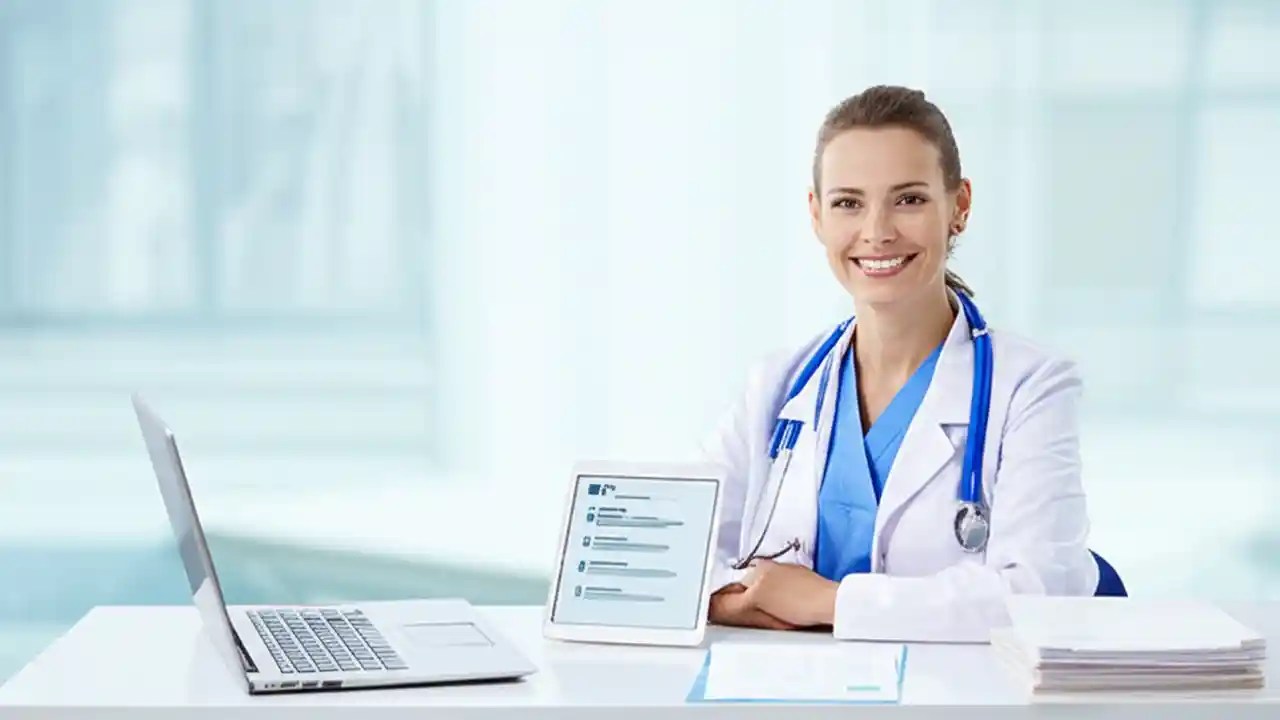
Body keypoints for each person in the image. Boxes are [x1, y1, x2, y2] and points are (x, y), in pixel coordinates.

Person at [700, 85, 1098, 642]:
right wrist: (722, 598)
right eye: (848, 202)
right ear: (816, 215)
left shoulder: (1029, 387)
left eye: (908, 199)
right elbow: (683, 557)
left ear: (959, 206)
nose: (877, 230)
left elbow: (1043, 592)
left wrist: (833, 603)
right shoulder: (778, 385)